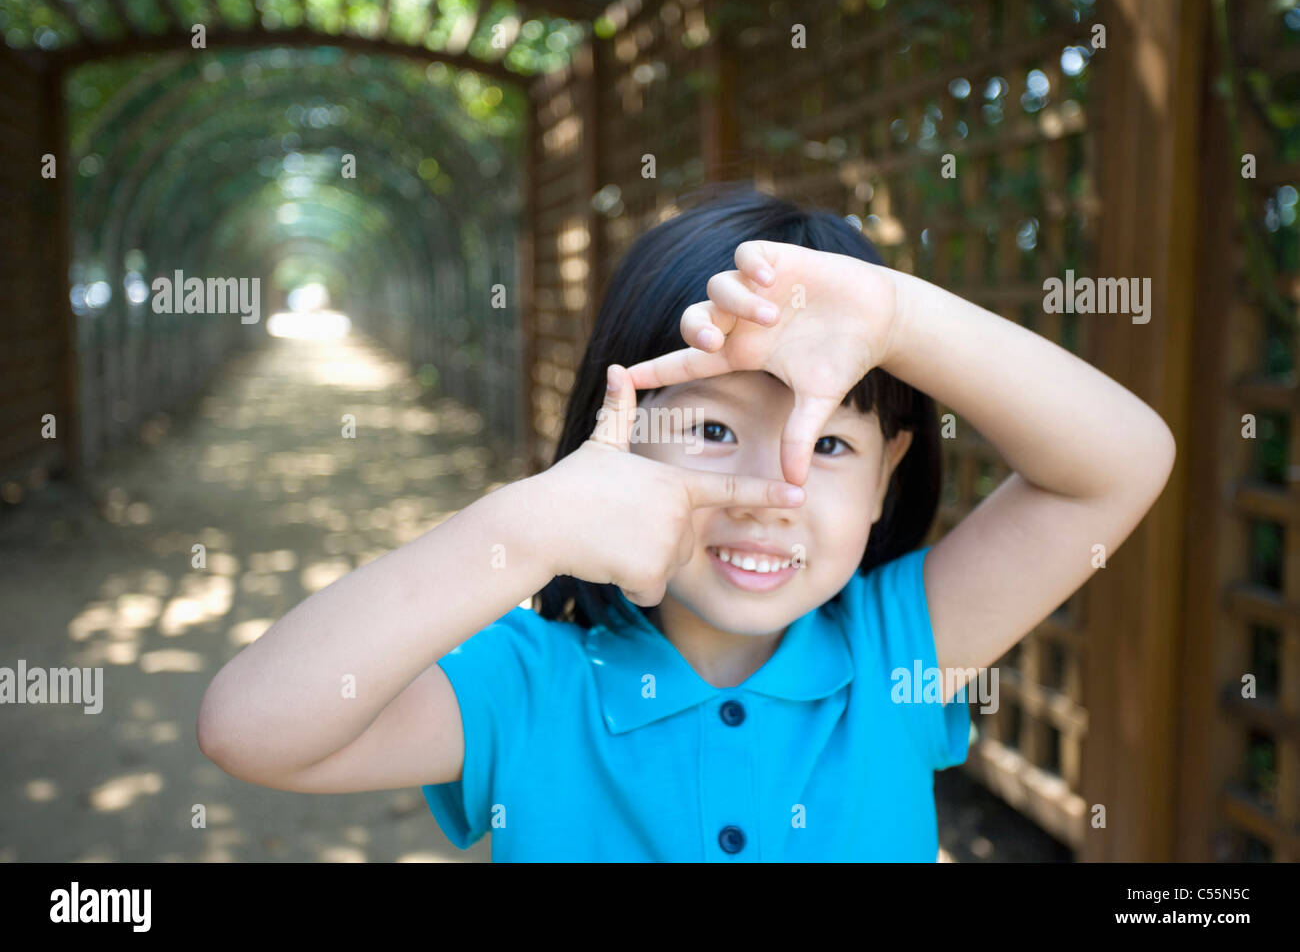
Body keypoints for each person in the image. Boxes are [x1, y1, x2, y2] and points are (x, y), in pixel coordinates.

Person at [197, 183, 1176, 861]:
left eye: (830, 444)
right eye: (712, 426)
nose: (768, 485)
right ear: (611, 438)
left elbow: (1120, 463)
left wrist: (895, 319)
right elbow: (254, 728)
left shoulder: (900, 652)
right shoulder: (528, 683)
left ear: (889, 478)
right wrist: (523, 527)